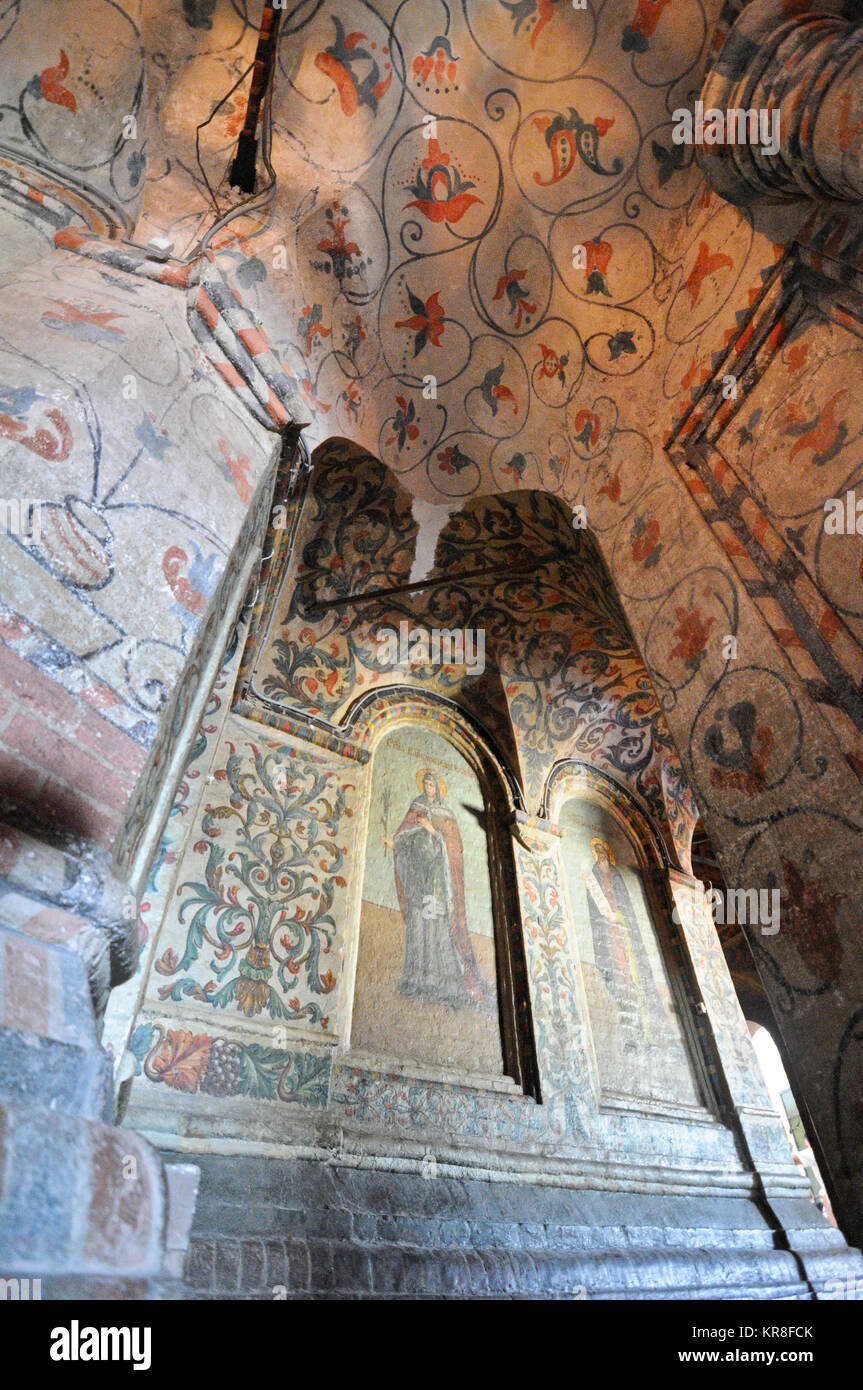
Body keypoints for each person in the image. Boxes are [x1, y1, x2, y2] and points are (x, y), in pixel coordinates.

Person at [383, 769, 491, 1009]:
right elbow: (405, 837)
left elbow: (454, 849)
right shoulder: (416, 809)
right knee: (418, 926)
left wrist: (433, 831)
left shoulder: (447, 815)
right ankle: (416, 980)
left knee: (437, 928)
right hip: (419, 882)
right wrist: (395, 843)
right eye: (425, 785)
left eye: (432, 786)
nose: (428, 789)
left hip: (438, 884)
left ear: (438, 789)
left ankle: (441, 983)